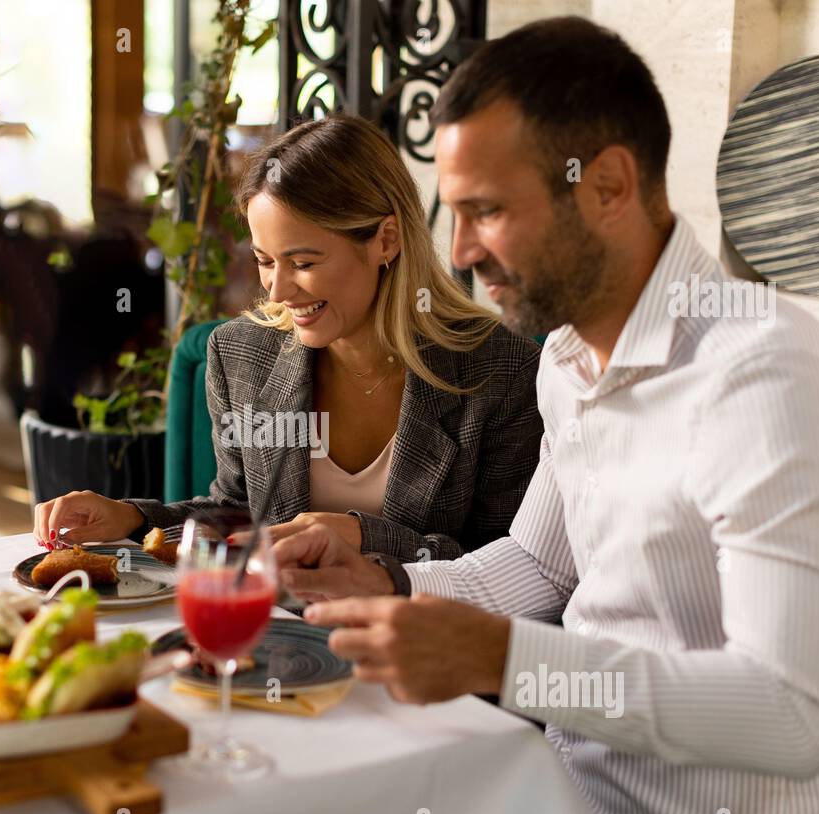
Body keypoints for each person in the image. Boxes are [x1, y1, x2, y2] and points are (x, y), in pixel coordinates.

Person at [273, 17, 819, 814]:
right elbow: (539, 567)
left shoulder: (766, 378)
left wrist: (508, 659)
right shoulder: (567, 359)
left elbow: (789, 712)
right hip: (558, 809)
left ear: (607, 186)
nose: (460, 254)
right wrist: (391, 580)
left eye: (486, 211)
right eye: (454, 215)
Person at [34, 113, 543, 562]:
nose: (277, 289)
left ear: (385, 241)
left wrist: (365, 538)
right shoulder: (241, 356)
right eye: (264, 261)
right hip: (275, 637)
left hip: (416, 647)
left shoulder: (499, 371)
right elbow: (236, 514)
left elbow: (511, 565)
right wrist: (132, 519)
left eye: (303, 262)